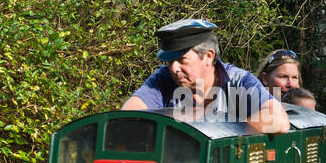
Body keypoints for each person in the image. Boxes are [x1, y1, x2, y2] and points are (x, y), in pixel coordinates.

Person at [121, 18, 290, 133]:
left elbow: (279, 121)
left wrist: (215, 128)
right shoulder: (162, 79)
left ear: (208, 56)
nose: (174, 68)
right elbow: (127, 117)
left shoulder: (239, 81)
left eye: (182, 59)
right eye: (169, 61)